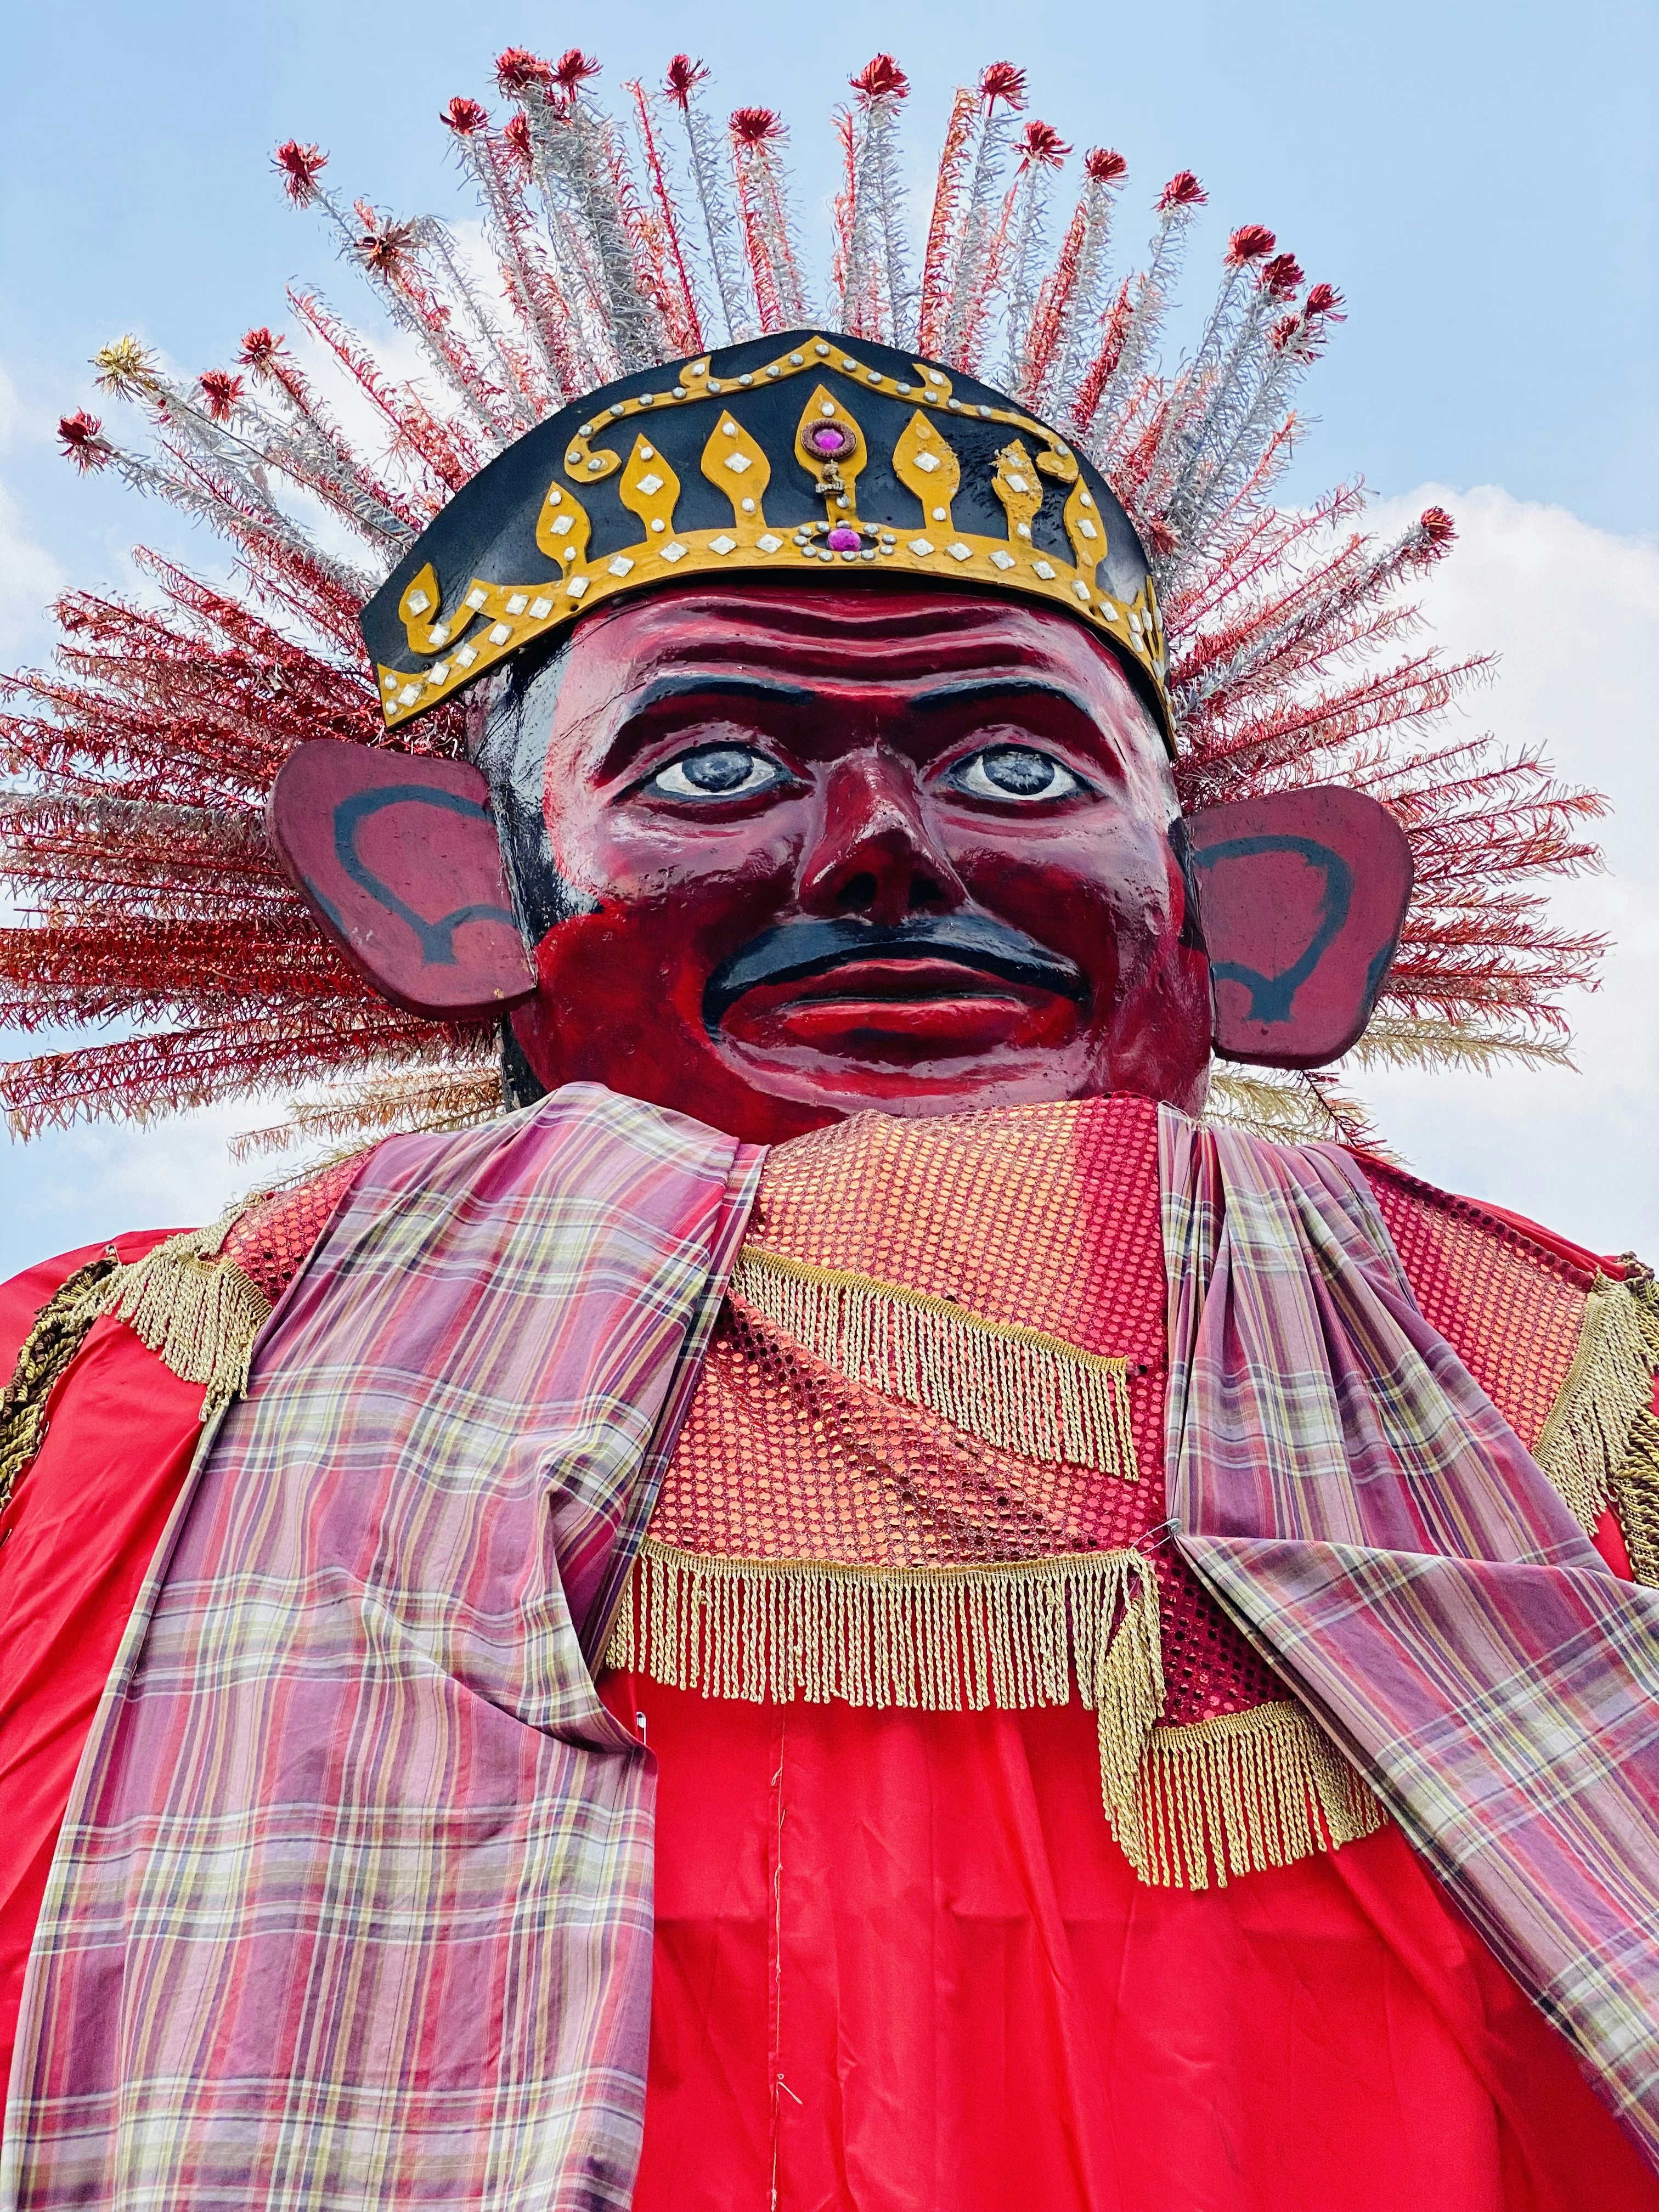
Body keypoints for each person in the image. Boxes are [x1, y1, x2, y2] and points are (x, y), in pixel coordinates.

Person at [1, 49, 1656, 2212]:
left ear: (1260, 918)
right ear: (452, 890)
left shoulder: (1571, 1393)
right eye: (713, 766)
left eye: (1016, 768)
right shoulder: (126, 1406)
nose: (880, 847)